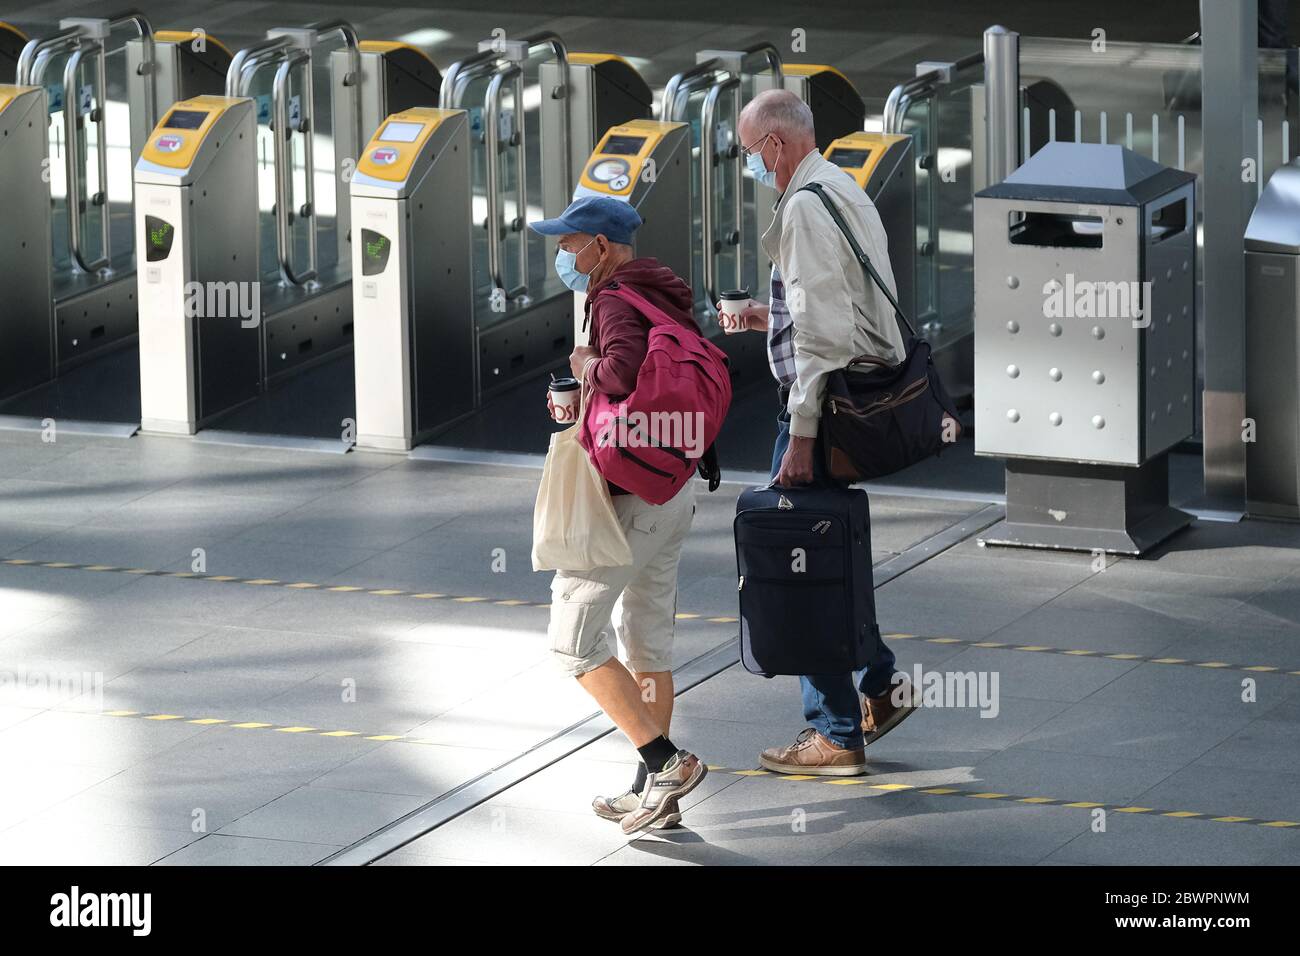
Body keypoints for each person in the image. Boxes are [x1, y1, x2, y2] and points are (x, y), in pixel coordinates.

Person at [723, 89, 917, 775]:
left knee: (799, 564)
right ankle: (882, 686)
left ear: (777, 144)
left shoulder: (803, 208)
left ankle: (836, 732)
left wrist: (802, 434)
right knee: (826, 556)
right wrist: (762, 317)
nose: (751, 165)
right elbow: (835, 303)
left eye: (751, 152)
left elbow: (825, 331)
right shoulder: (839, 186)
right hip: (849, 397)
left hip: (822, 409)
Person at [529, 196, 708, 833]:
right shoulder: (661, 292)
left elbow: (625, 368)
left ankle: (665, 762)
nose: (563, 256)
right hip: (674, 487)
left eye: (569, 243)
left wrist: (584, 368)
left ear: (600, 248)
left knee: (573, 640)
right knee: (647, 643)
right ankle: (655, 796)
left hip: (630, 501)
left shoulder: (609, 300)